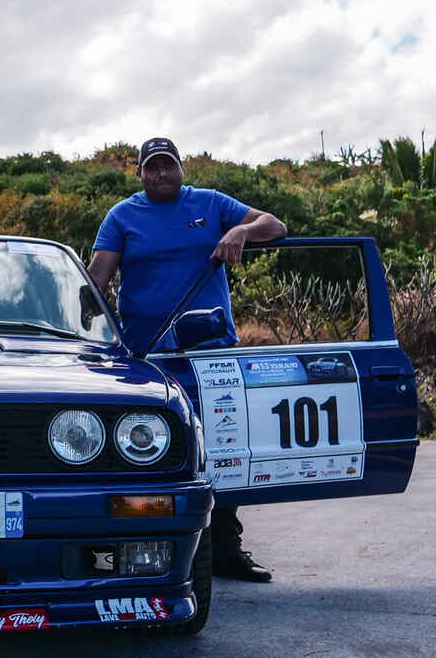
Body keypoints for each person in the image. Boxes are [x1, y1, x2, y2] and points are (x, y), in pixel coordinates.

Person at [86, 136, 288, 582]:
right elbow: (96, 281)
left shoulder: (212, 204)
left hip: (211, 356)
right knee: (147, 452)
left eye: (169, 165)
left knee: (224, 449)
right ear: (139, 173)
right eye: (152, 167)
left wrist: (240, 230)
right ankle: (142, 553)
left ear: (182, 168)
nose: (161, 174)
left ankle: (226, 551)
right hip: (146, 358)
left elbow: (275, 225)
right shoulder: (122, 216)